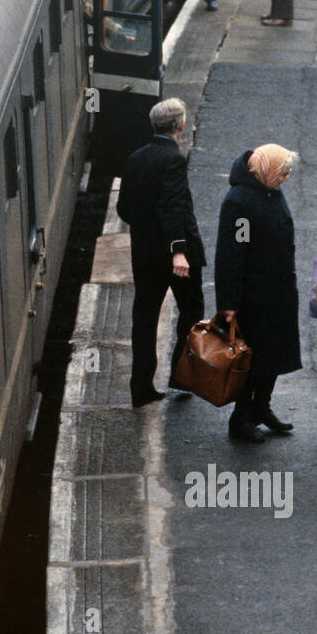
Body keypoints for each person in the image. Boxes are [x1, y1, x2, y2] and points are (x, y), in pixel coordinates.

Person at [117, 98, 206, 407]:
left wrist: (147, 234)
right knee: (192, 311)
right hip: (175, 256)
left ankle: (141, 387)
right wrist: (177, 251)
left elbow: (124, 208)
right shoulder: (173, 160)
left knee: (144, 318)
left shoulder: (135, 158)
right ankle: (180, 376)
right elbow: (173, 207)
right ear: (180, 125)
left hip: (143, 255)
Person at [215, 144, 302, 442]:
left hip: (277, 291)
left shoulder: (269, 189)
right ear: (265, 170)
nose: (286, 179)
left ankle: (261, 408)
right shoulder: (239, 202)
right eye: (283, 172)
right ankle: (240, 418)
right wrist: (229, 303)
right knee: (250, 360)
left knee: (274, 354)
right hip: (254, 297)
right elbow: (231, 253)